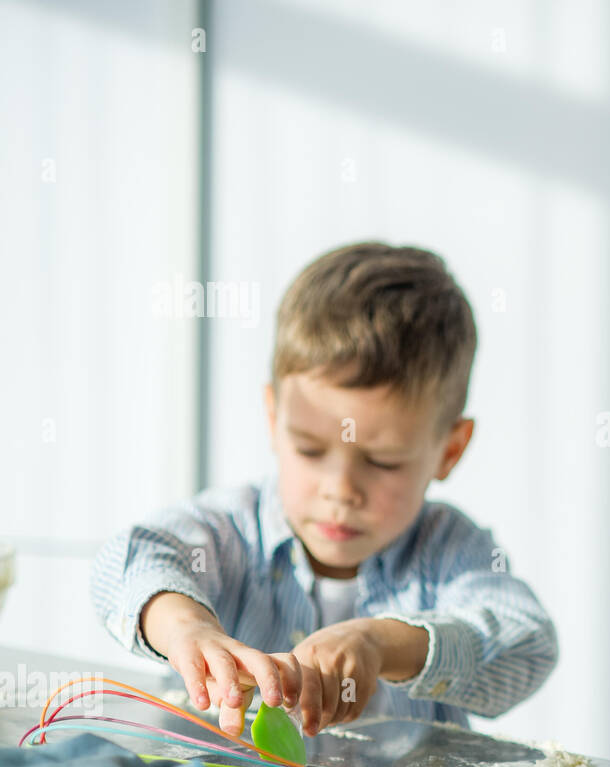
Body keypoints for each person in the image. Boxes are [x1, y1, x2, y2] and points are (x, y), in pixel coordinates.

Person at [91, 242, 558, 739]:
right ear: (274, 419)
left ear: (449, 450)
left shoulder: (450, 551)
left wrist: (383, 643)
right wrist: (185, 627)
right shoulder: (229, 531)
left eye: (382, 461)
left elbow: (526, 641)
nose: (340, 490)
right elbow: (130, 558)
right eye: (311, 450)